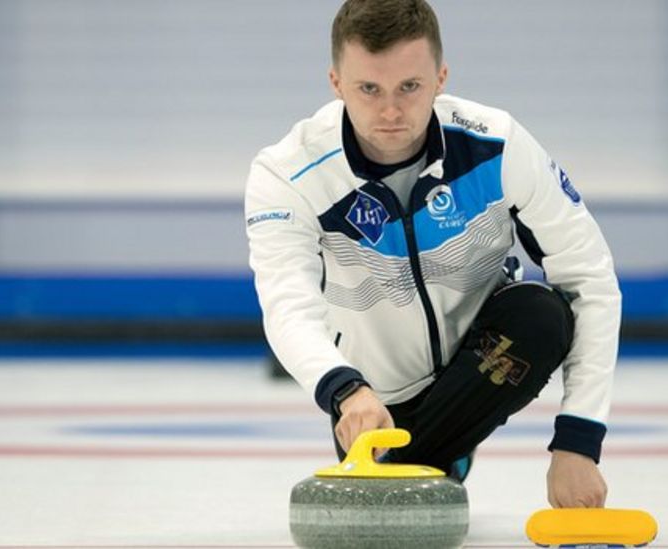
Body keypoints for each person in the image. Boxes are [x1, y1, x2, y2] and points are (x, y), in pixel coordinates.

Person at [245, 0, 621, 509]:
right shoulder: (286, 174)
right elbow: (287, 305)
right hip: (371, 401)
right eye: (369, 89)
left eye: (410, 86)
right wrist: (344, 390)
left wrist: (579, 442)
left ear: (441, 78)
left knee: (542, 314)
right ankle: (437, 455)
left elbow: (590, 277)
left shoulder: (497, 145)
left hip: (482, 360)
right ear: (336, 84)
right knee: (383, 435)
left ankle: (424, 458)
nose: (391, 111)